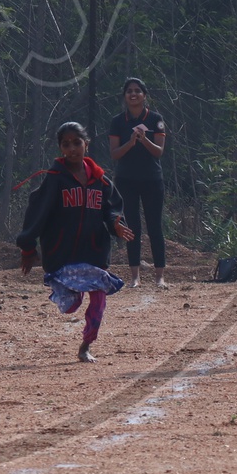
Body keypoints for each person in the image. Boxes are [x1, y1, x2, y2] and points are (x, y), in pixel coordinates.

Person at [16, 122, 134, 362]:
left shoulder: (101, 182)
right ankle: (73, 295)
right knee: (70, 305)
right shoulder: (55, 180)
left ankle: (86, 345)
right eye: (66, 144)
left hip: (94, 253)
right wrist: (28, 247)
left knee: (99, 296)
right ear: (60, 149)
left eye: (76, 142)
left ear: (86, 145)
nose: (72, 148)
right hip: (63, 255)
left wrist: (115, 225)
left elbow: (112, 210)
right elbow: (37, 213)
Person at [108, 78, 169, 287]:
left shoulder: (155, 119)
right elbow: (115, 154)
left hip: (152, 180)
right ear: (125, 96)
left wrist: (144, 140)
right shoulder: (118, 121)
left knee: (154, 227)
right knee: (132, 227)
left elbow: (159, 152)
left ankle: (159, 276)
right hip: (126, 180)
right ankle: (135, 276)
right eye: (129, 92)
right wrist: (131, 142)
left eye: (137, 91)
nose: (133, 95)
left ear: (144, 95)